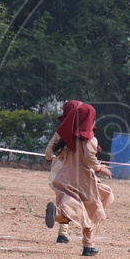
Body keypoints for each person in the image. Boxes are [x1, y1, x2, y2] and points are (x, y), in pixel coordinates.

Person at [45, 103, 114, 256]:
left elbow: (55, 154)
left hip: (66, 178)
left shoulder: (67, 139)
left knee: (104, 195)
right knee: (96, 209)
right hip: (84, 181)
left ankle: (58, 213)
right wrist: (100, 168)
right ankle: (88, 246)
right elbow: (89, 158)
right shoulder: (90, 140)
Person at [45, 100, 83, 243]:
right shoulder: (84, 133)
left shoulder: (60, 131)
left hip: (59, 169)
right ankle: (87, 240)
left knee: (63, 200)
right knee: (76, 201)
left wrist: (51, 160)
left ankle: (63, 233)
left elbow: (48, 151)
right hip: (77, 172)